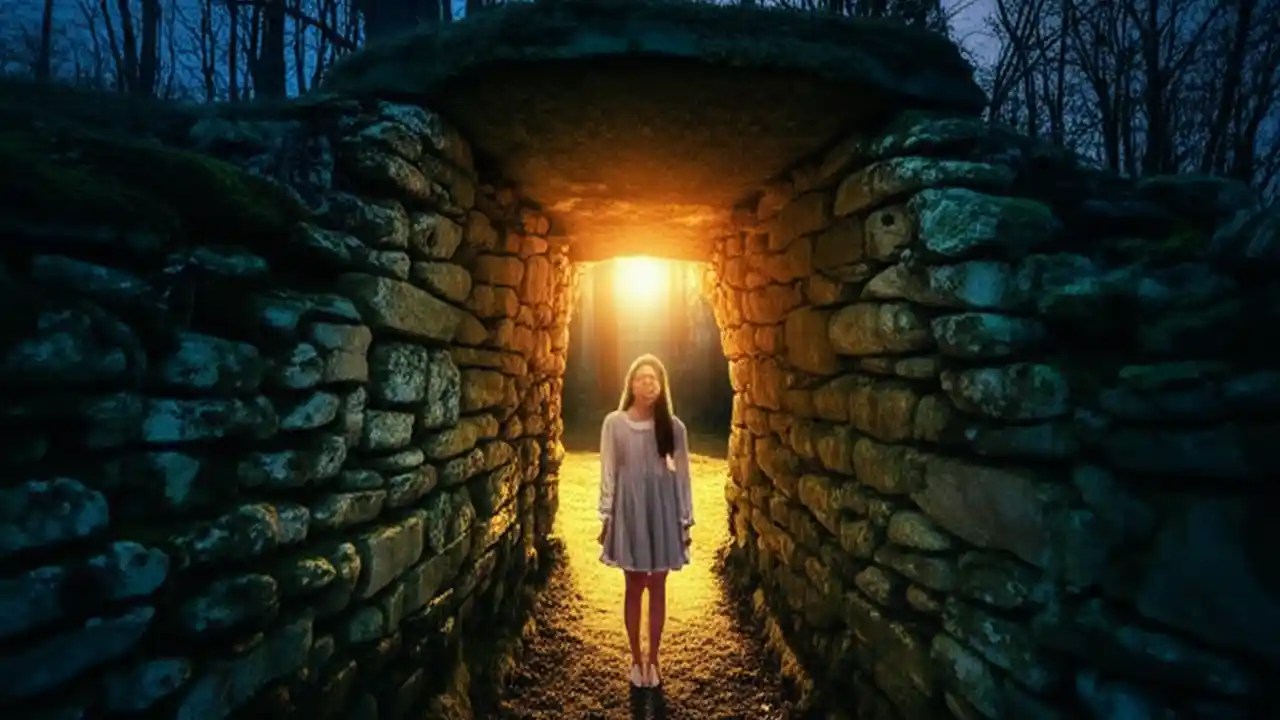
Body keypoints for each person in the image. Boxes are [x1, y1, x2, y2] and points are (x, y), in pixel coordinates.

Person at [597, 353, 695, 690]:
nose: (648, 383)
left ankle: (654, 658)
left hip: (662, 510)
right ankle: (635, 659)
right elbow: (609, 469)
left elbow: (682, 476)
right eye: (642, 378)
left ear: (662, 385)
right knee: (634, 584)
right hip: (630, 510)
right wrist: (606, 514)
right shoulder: (614, 424)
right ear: (631, 384)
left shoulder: (674, 428)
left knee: (658, 585)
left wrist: (684, 520)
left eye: (654, 378)